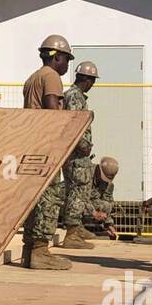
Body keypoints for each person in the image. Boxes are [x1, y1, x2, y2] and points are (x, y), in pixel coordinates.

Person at [18, 35, 74, 271]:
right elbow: (53, 109)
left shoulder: (33, 78)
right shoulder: (51, 77)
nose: (67, 65)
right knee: (49, 198)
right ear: (57, 57)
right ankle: (40, 250)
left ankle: (29, 250)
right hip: (46, 144)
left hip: (31, 142)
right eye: (66, 60)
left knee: (35, 199)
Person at [59, 60, 99, 248]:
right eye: (92, 80)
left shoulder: (76, 96)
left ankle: (77, 226)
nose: (93, 84)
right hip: (76, 154)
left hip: (76, 153)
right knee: (77, 189)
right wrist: (84, 144)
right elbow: (74, 124)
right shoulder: (74, 97)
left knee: (80, 190)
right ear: (86, 79)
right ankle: (72, 232)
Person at [82, 156, 119, 237]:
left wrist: (108, 223)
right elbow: (81, 197)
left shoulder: (108, 184)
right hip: (75, 199)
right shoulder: (85, 175)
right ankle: (75, 229)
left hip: (90, 202)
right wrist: (94, 213)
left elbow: (108, 201)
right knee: (78, 204)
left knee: (106, 205)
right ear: (99, 170)